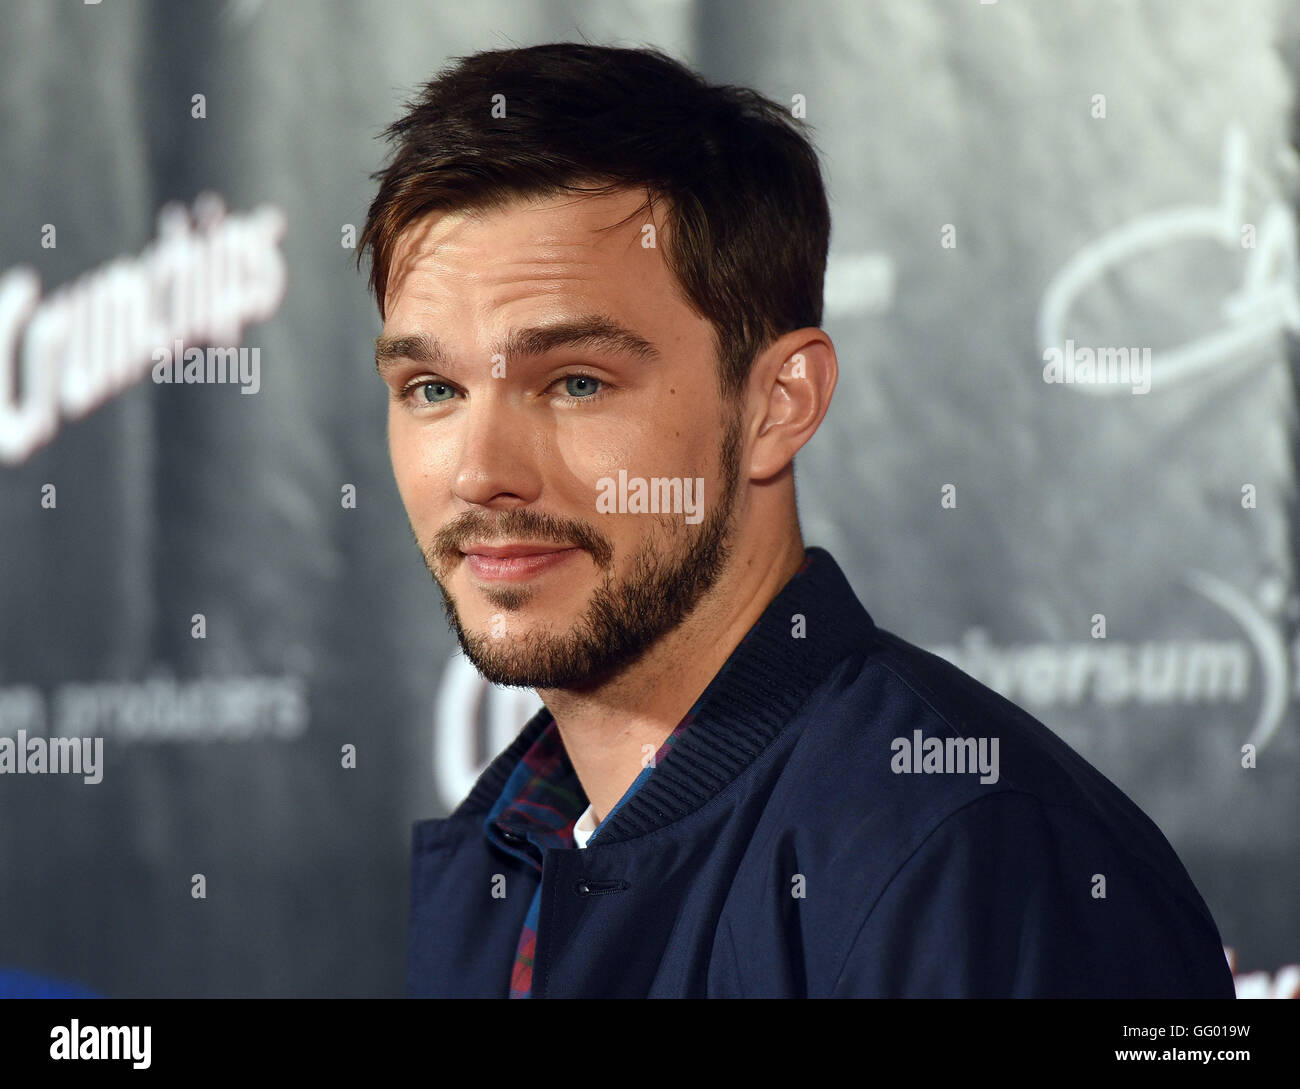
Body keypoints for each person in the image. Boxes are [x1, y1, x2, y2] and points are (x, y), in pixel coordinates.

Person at [360, 42, 1235, 998]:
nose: (482, 472)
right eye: (432, 387)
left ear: (778, 401)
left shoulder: (969, 860)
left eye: (575, 382)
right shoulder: (510, 852)